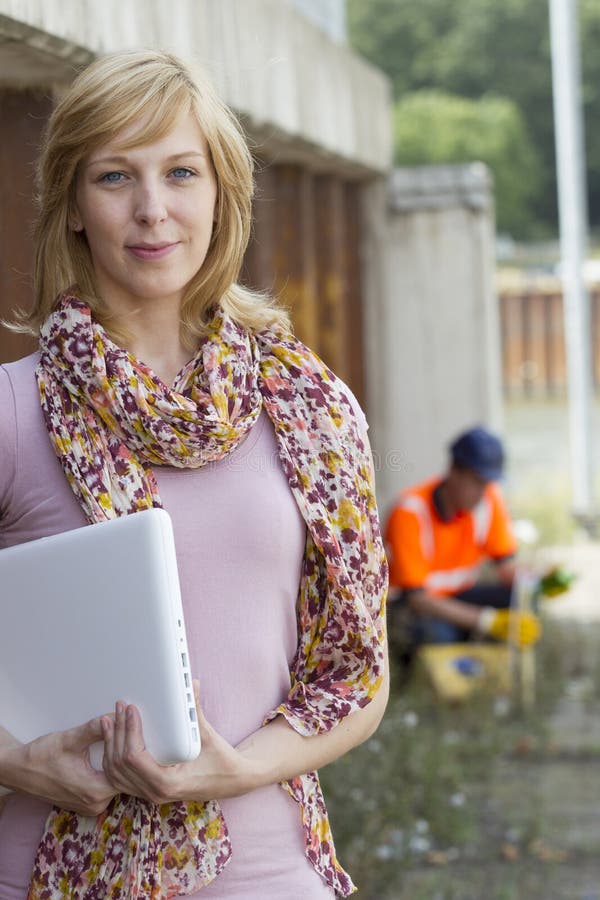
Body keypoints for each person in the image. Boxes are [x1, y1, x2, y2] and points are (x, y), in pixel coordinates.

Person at [0, 49, 389, 899]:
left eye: (181, 172)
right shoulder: (9, 414)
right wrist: (20, 764)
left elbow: (357, 677)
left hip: (267, 872)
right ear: (71, 205)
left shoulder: (314, 411)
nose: (152, 211)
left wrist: (232, 769)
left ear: (221, 194)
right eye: (114, 177)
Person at [385, 426, 540, 648]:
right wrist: (487, 621)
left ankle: (497, 671)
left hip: (459, 598)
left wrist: (536, 583)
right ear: (453, 471)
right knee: (439, 635)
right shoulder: (409, 511)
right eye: (477, 481)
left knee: (521, 601)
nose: (482, 491)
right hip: (412, 609)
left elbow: (506, 566)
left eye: (487, 483)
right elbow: (417, 599)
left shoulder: (487, 500)